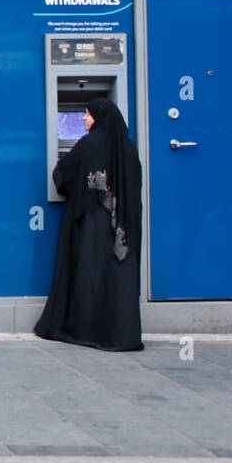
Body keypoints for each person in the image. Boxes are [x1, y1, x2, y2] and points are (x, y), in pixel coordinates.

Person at [35, 97, 143, 351]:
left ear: (99, 117)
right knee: (116, 277)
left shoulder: (88, 144)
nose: (83, 118)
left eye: (87, 114)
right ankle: (120, 334)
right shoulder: (127, 147)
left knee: (89, 275)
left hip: (91, 223)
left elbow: (63, 175)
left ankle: (87, 330)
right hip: (121, 227)